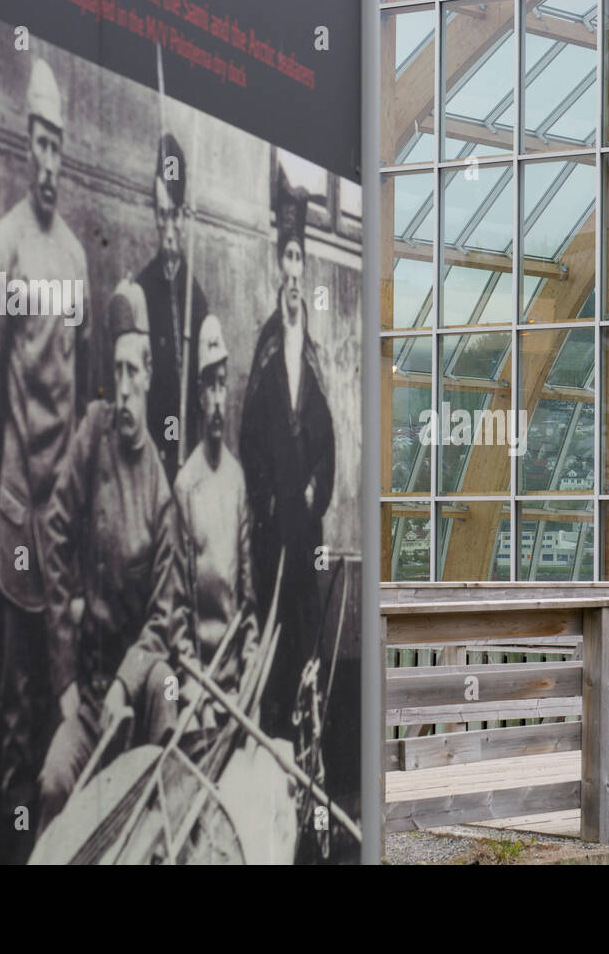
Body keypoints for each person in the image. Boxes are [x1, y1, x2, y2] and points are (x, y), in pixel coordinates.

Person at [0, 58, 92, 856]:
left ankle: (60, 837)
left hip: (61, 512)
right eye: (38, 145)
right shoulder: (5, 244)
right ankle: (16, 835)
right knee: (17, 686)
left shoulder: (78, 260)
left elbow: (82, 384)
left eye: (58, 146)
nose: (47, 161)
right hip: (19, 500)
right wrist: (7, 485)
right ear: (26, 148)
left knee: (65, 672)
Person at [35, 281, 178, 833]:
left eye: (132, 374)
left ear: (148, 376)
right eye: (115, 373)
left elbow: (162, 622)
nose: (122, 390)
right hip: (92, 695)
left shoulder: (161, 493)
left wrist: (127, 684)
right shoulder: (91, 434)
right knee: (53, 784)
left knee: (139, 816)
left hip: (136, 697)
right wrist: (65, 677)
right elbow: (53, 535)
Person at [239, 170, 335, 861]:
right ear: (278, 264)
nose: (295, 269)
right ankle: (266, 812)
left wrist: (315, 494)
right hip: (276, 541)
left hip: (311, 542)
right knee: (275, 668)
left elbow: (328, 443)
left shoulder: (315, 349)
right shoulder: (269, 344)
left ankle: (307, 810)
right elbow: (249, 438)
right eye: (288, 258)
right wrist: (274, 499)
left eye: (303, 258)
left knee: (308, 663)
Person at [171, 315, 255, 723]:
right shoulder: (186, 486)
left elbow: (248, 598)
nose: (219, 399)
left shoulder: (238, 479)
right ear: (200, 396)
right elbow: (177, 608)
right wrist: (194, 686)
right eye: (211, 386)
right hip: (199, 684)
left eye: (224, 385)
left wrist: (250, 672)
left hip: (236, 683)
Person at [137, 133, 210, 485]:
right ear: (155, 216)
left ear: (183, 218)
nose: (167, 229)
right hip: (145, 456)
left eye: (173, 216)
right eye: (161, 215)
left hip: (185, 458)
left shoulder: (196, 302)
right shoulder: (141, 290)